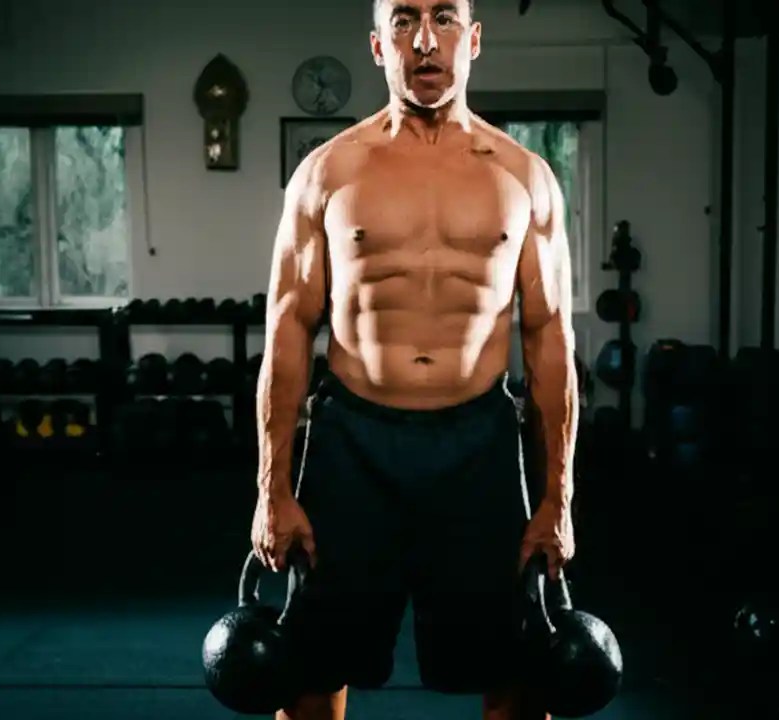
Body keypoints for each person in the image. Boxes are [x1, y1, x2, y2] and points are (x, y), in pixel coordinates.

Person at [251, 0, 578, 718]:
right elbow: (287, 328)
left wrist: (559, 498)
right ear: (377, 45)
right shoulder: (326, 171)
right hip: (352, 443)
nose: (424, 40)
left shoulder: (526, 176)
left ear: (475, 38)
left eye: (444, 18)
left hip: (478, 444)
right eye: (403, 20)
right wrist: (271, 488)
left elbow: (550, 337)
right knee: (310, 664)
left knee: (519, 666)